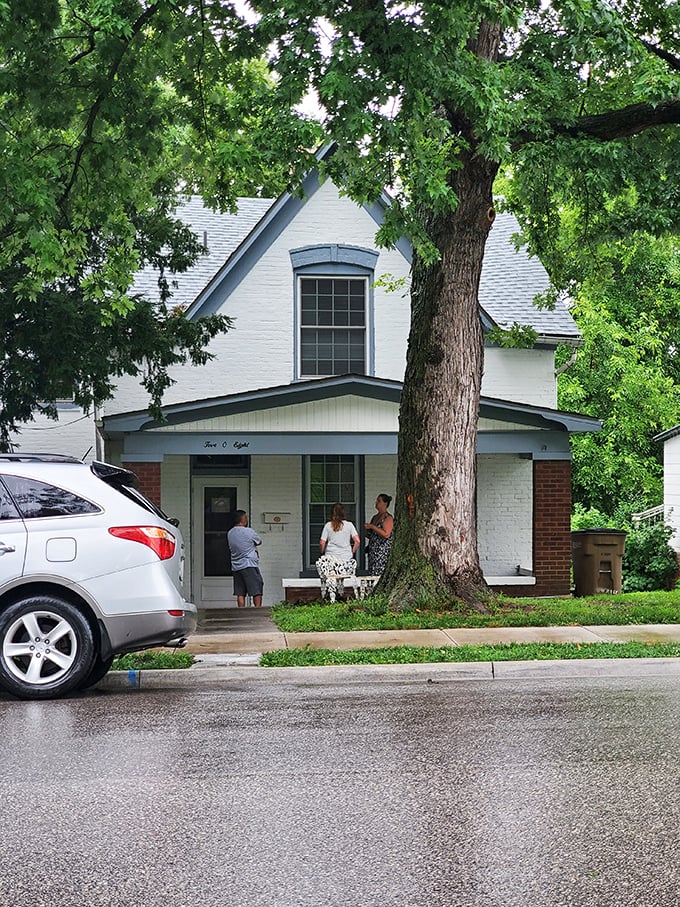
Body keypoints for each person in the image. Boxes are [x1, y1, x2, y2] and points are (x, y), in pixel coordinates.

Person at [227, 510, 264, 608]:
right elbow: (259, 541)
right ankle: (257, 610)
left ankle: (240, 611)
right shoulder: (248, 531)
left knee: (240, 592)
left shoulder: (230, 533)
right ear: (242, 519)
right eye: (245, 517)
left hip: (236, 565)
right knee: (256, 589)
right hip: (249, 564)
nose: (247, 519)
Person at [364, 493, 394, 574]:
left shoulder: (388, 518)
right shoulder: (375, 517)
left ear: (385, 503)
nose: (376, 502)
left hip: (382, 553)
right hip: (373, 552)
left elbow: (386, 534)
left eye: (379, 501)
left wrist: (372, 526)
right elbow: (372, 535)